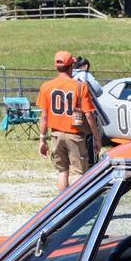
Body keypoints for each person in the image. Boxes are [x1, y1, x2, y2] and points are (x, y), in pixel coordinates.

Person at [37, 51, 100, 193]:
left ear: (56, 67)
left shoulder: (46, 86)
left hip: (56, 135)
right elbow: (89, 115)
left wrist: (42, 139)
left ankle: (62, 207)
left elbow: (44, 116)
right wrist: (96, 138)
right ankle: (77, 206)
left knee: (62, 171)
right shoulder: (80, 86)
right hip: (75, 136)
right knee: (78, 172)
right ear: (71, 66)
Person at [73, 56, 106, 166]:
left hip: (71, 112)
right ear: (86, 66)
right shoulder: (84, 75)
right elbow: (98, 90)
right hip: (86, 110)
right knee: (89, 136)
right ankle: (92, 162)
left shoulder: (69, 76)